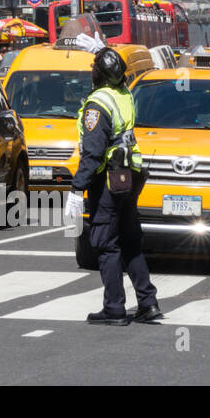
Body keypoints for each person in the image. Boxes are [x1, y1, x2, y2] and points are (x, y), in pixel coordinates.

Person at [66, 47, 163, 326]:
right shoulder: (124, 94)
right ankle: (148, 303)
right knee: (130, 240)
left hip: (108, 179)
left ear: (99, 73)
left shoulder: (98, 103)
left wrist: (77, 188)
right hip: (129, 176)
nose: (92, 71)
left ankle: (115, 309)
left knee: (105, 242)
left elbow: (94, 152)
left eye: (94, 67)